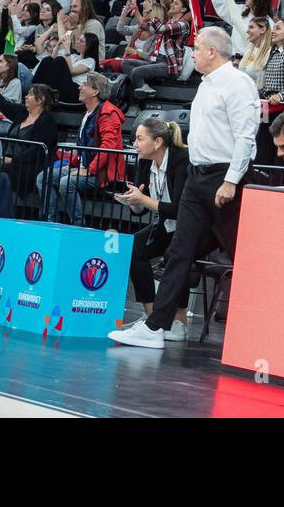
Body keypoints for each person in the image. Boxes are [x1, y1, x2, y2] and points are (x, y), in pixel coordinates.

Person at [110, 28, 258, 349]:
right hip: (197, 175)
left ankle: (261, 326)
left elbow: (246, 137)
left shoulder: (238, 83)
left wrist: (232, 180)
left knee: (243, 255)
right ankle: (155, 328)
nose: (193, 53)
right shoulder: (205, 85)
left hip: (224, 177)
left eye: (197, 48)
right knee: (178, 251)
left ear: (213, 53)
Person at [114, 118, 191, 328]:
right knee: (134, 248)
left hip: (188, 226)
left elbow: (178, 209)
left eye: (140, 139)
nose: (135, 144)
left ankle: (179, 321)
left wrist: (142, 200)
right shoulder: (145, 161)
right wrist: (133, 201)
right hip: (166, 223)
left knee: (175, 254)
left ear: (157, 142)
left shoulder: (181, 160)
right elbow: (141, 207)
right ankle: (151, 317)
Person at [38, 74, 125, 226]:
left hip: (102, 173)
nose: (79, 87)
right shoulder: (88, 113)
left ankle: (78, 225)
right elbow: (82, 146)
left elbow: (108, 147)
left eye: (84, 84)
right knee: (43, 177)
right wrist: (72, 164)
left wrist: (90, 170)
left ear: (95, 91)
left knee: (66, 183)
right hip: (85, 167)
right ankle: (50, 222)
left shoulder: (108, 113)